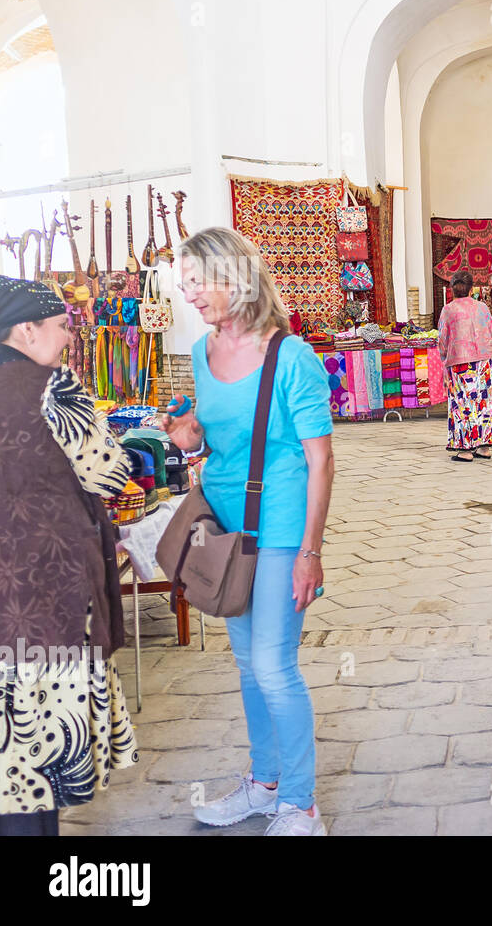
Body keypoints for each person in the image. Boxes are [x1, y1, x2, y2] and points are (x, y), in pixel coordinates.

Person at [161, 227, 335, 836]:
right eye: (184, 287)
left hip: (284, 524)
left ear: (233, 277)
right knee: (245, 663)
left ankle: (300, 802)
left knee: (272, 662)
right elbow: (216, 434)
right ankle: (263, 783)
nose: (191, 298)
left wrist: (310, 552)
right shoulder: (202, 354)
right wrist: (191, 435)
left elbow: (320, 459)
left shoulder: (290, 355)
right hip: (227, 528)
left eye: (198, 284)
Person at [0, 276, 138, 836]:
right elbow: (108, 472)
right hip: (47, 586)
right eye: (62, 325)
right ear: (27, 329)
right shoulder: (53, 386)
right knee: (36, 745)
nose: (70, 334)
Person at [438, 269, 492, 463]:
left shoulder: (448, 310)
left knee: (463, 405)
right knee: (484, 403)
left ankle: (465, 450)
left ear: (452, 290)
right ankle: (484, 447)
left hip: (460, 365)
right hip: (484, 363)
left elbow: (443, 338)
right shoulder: (482, 307)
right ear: (471, 288)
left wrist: (444, 360)